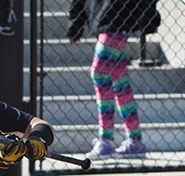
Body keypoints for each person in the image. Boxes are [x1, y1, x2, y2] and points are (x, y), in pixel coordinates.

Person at [67, 0, 160, 159]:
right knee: (119, 81)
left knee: (100, 73)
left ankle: (106, 140)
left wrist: (149, 16)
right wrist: (76, 24)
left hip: (116, 17)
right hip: (108, 18)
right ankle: (134, 139)